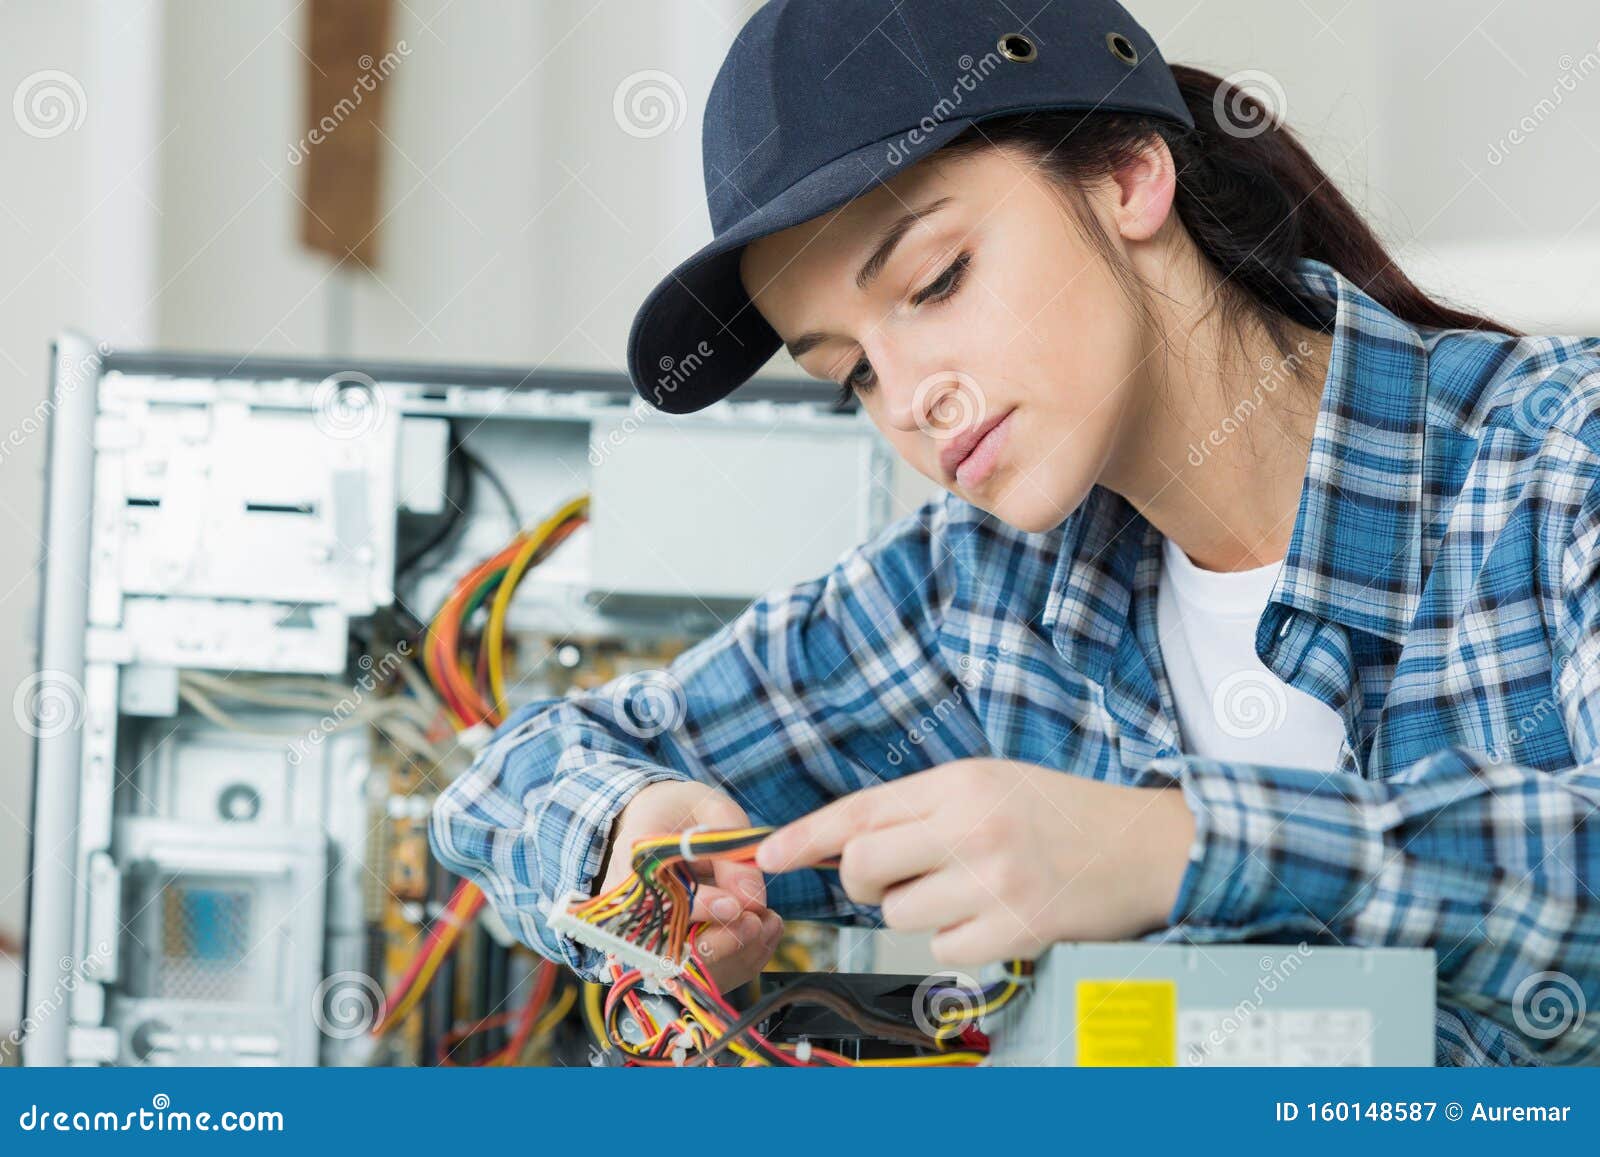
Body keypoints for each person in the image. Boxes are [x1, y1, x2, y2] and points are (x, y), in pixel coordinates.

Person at [430, 0, 1600, 1065]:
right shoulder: (970, 594)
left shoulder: (1562, 461)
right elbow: (500, 784)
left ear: (1128, 174)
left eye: (935, 280)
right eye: (850, 375)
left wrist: (1167, 845)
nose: (911, 399)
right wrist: (635, 837)